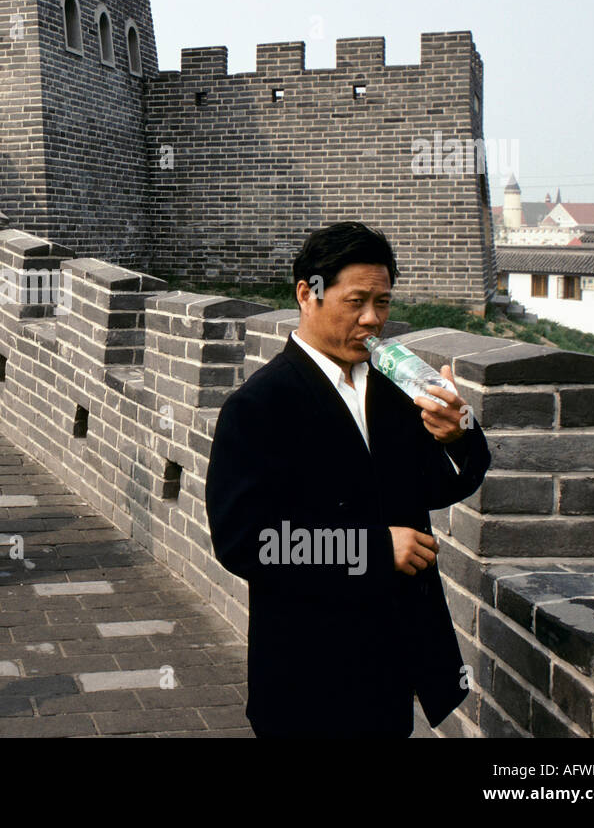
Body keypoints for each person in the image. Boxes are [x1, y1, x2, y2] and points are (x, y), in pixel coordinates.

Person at [204, 221, 491, 738]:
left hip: (390, 664)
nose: (372, 320)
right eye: (356, 301)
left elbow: (441, 486)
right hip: (307, 672)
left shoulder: (396, 390)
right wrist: (376, 551)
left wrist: (458, 435)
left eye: (383, 303)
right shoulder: (258, 407)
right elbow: (246, 542)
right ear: (307, 293)